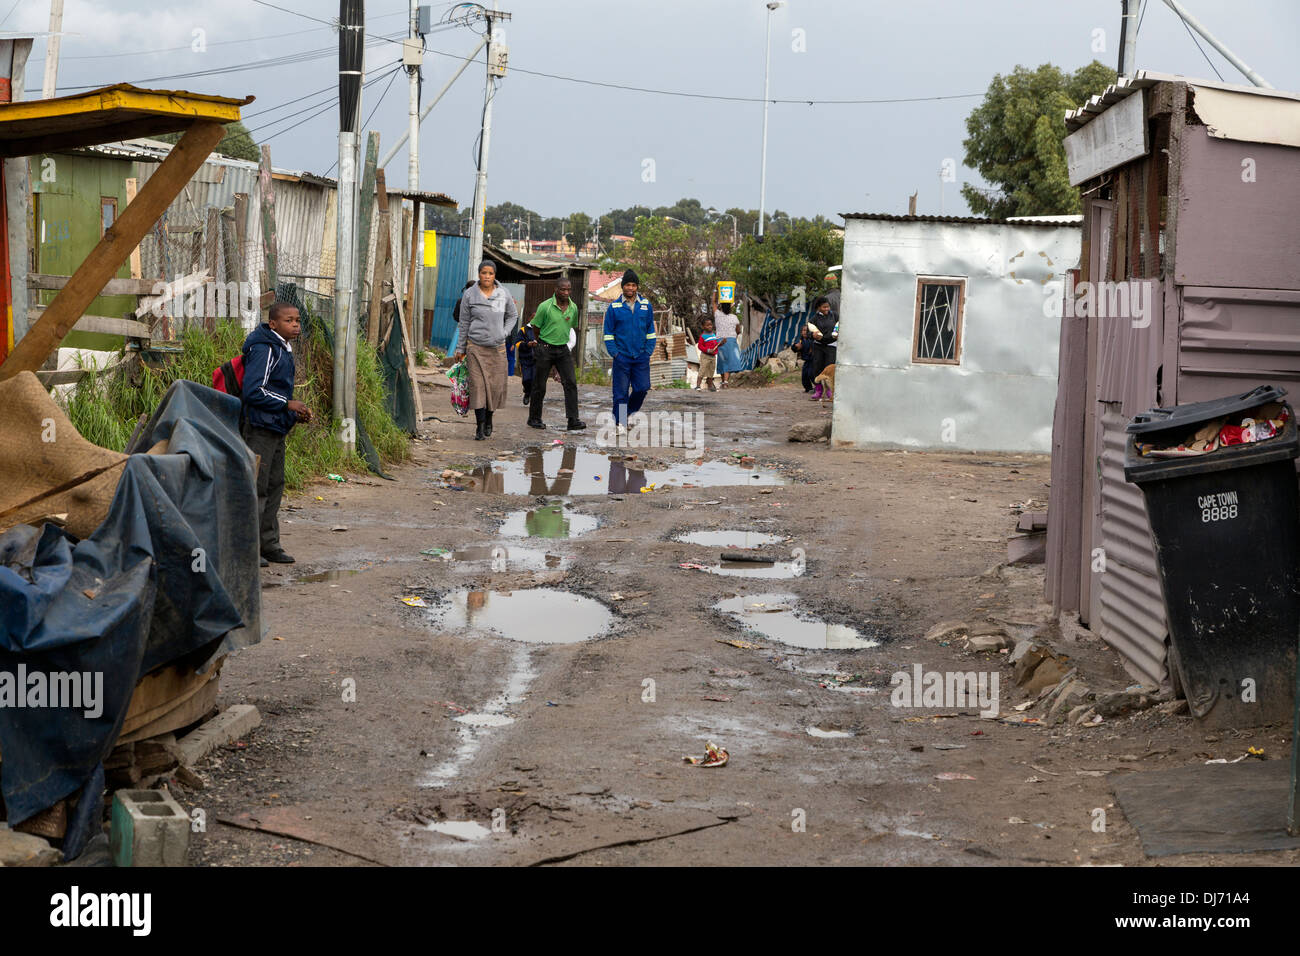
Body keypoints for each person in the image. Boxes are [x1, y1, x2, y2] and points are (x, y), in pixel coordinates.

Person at [241, 301, 312, 566]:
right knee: (256, 488)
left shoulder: (282, 347)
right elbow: (254, 390)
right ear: (273, 324)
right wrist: (286, 404)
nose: (295, 325)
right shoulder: (265, 349)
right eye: (288, 321)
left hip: (275, 426)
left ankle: (269, 545)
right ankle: (249, 548)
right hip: (259, 427)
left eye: (297, 320)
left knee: (274, 486)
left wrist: (293, 412)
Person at [453, 260, 519, 440]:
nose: (487, 276)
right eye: (484, 273)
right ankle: (479, 426)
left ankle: (489, 419)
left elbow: (513, 315)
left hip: (497, 350)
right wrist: (460, 348)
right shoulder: (469, 295)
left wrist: (505, 332)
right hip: (475, 348)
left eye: (490, 273)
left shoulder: (503, 293)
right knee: (478, 387)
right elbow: (464, 322)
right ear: (479, 275)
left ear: (495, 275)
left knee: (495, 388)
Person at [527, 276, 585, 431]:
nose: (566, 292)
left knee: (571, 383)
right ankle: (534, 419)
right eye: (563, 289)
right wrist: (542, 345)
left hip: (563, 350)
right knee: (540, 385)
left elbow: (571, 327)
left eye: (568, 289)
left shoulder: (573, 308)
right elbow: (536, 328)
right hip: (545, 348)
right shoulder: (545, 307)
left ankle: (573, 420)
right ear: (556, 290)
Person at [602, 269, 656, 437]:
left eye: (633, 285)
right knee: (621, 392)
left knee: (642, 388)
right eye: (627, 285)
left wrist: (648, 351)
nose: (630, 288)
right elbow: (608, 333)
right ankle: (621, 423)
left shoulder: (646, 306)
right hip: (622, 356)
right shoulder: (614, 307)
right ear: (622, 286)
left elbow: (651, 332)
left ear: (637, 287)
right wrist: (615, 353)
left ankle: (626, 413)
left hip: (641, 356)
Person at [807, 295, 838, 401]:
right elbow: (807, 333)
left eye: (828, 307)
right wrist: (813, 336)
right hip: (819, 346)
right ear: (819, 307)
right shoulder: (813, 319)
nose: (827, 309)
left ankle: (830, 391)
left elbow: (841, 325)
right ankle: (818, 390)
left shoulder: (835, 316)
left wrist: (839, 333)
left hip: (832, 345)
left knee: (830, 368)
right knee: (817, 367)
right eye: (824, 307)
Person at [712, 295, 742, 387]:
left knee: (722, 360)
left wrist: (715, 291)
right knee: (729, 361)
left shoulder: (717, 314)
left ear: (721, 307)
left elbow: (713, 303)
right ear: (731, 308)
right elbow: (738, 330)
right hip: (731, 341)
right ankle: (725, 381)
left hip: (720, 341)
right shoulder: (734, 317)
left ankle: (724, 381)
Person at [695, 316, 720, 392]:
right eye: (707, 325)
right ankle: (698, 386)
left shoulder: (713, 335)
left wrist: (721, 343)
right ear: (703, 327)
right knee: (702, 370)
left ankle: (710, 386)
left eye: (711, 325)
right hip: (705, 356)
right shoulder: (703, 336)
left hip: (713, 357)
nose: (710, 326)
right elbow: (700, 346)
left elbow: (716, 345)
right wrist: (708, 350)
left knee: (711, 371)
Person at [791, 325, 816, 393]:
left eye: (807, 330)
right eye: (803, 330)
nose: (805, 332)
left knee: (811, 373)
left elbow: (813, 347)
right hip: (807, 360)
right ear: (801, 332)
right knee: (804, 375)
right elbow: (794, 348)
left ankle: (819, 387)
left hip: (813, 360)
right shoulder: (801, 340)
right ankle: (808, 388)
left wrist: (811, 349)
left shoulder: (812, 339)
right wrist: (796, 347)